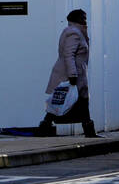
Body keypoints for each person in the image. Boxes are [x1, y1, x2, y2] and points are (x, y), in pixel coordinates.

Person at [38, 8, 98, 137]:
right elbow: (68, 55)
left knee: (73, 102)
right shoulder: (74, 33)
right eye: (83, 17)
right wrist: (72, 75)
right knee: (68, 101)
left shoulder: (75, 31)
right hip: (71, 74)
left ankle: (45, 126)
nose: (85, 20)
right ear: (75, 19)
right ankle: (88, 131)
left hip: (76, 73)